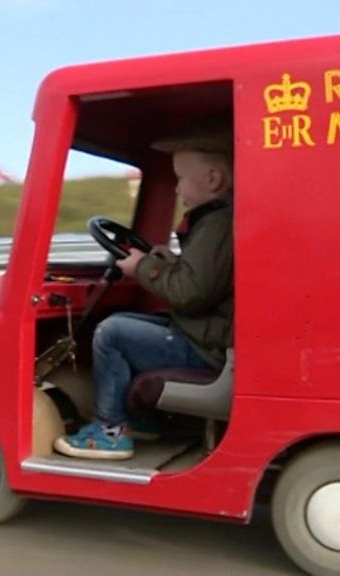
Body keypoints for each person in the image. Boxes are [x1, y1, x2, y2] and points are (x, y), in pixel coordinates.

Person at [53, 116, 234, 460]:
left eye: (180, 179)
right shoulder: (217, 221)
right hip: (207, 333)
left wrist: (143, 267)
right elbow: (200, 279)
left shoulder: (216, 224)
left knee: (112, 332)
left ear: (213, 179)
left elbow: (191, 293)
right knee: (131, 321)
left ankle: (110, 431)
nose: (177, 189)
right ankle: (140, 421)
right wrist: (163, 262)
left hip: (206, 345)